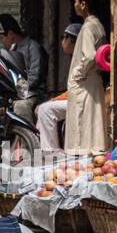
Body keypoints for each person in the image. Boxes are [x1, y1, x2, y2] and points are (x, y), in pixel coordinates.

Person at [64, 0, 108, 154]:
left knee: (82, 127)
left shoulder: (88, 27)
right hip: (92, 81)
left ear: (83, 4)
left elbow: (90, 56)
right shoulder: (98, 25)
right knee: (93, 125)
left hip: (85, 83)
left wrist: (77, 73)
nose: (74, 5)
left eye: (75, 1)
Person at [35, 23, 82, 152]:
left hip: (82, 101)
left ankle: (50, 151)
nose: (62, 41)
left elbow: (75, 91)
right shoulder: (75, 59)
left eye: (64, 37)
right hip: (77, 99)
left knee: (45, 109)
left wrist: (54, 100)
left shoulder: (80, 61)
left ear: (72, 40)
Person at [0, 13, 46, 125]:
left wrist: (20, 87)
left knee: (20, 106)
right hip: (16, 93)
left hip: (33, 93)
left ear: (11, 34)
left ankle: (26, 136)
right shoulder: (11, 49)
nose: (1, 41)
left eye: (1, 38)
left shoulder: (33, 47)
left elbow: (34, 77)